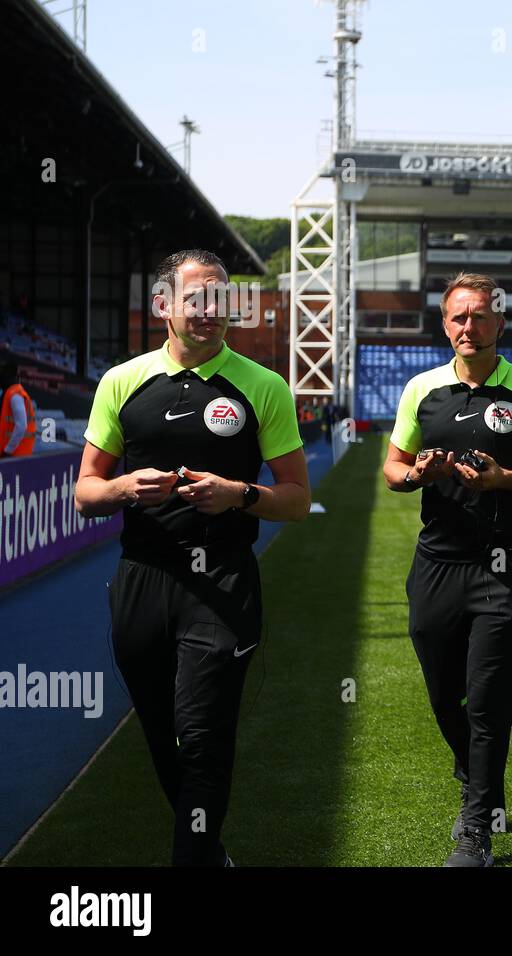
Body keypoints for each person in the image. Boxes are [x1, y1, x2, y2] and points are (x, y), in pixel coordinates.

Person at [76, 249, 310, 866]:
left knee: (203, 736)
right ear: (163, 306)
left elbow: (295, 500)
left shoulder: (263, 387)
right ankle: (209, 851)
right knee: (163, 735)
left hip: (224, 583)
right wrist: (127, 488)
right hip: (142, 580)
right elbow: (86, 493)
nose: (210, 310)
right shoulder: (121, 382)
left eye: (220, 298)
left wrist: (240, 495)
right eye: (196, 298)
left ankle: (193, 859)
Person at [383, 272, 512, 867]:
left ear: (500, 323)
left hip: (503, 568)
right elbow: (393, 469)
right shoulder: (421, 390)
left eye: (481, 316)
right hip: (436, 563)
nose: (470, 326)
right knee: (443, 692)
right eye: (459, 317)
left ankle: (476, 829)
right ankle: (478, 778)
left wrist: (503, 479)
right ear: (445, 323)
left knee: (487, 698)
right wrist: (422, 475)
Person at [0, 360, 36, 458]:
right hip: (15, 453)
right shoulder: (12, 392)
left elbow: (21, 426)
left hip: (16, 454)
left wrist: (8, 450)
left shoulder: (15, 395)